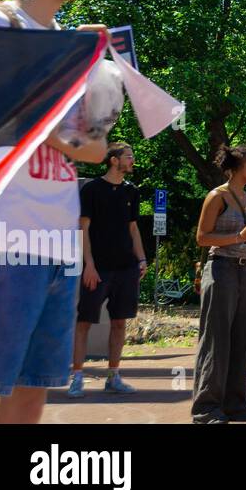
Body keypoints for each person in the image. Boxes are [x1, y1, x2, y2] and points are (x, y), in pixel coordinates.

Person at [0, 0, 116, 424]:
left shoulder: (75, 46)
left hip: (56, 244)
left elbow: (94, 150)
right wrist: (58, 79)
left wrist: (92, 67)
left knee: (31, 392)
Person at [191, 144, 246, 423]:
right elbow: (202, 237)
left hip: (245, 271)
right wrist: (238, 237)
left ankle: (235, 403)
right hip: (221, 269)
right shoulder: (217, 196)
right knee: (216, 340)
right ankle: (206, 408)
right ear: (237, 167)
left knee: (242, 339)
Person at [69, 142, 146, 397]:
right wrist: (88, 265)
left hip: (126, 269)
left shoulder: (131, 191)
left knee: (119, 323)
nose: (132, 160)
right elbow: (84, 228)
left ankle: (113, 377)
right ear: (114, 160)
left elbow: (133, 229)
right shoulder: (92, 189)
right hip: (98, 269)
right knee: (84, 322)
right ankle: (77, 377)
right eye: (128, 156)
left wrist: (141, 260)